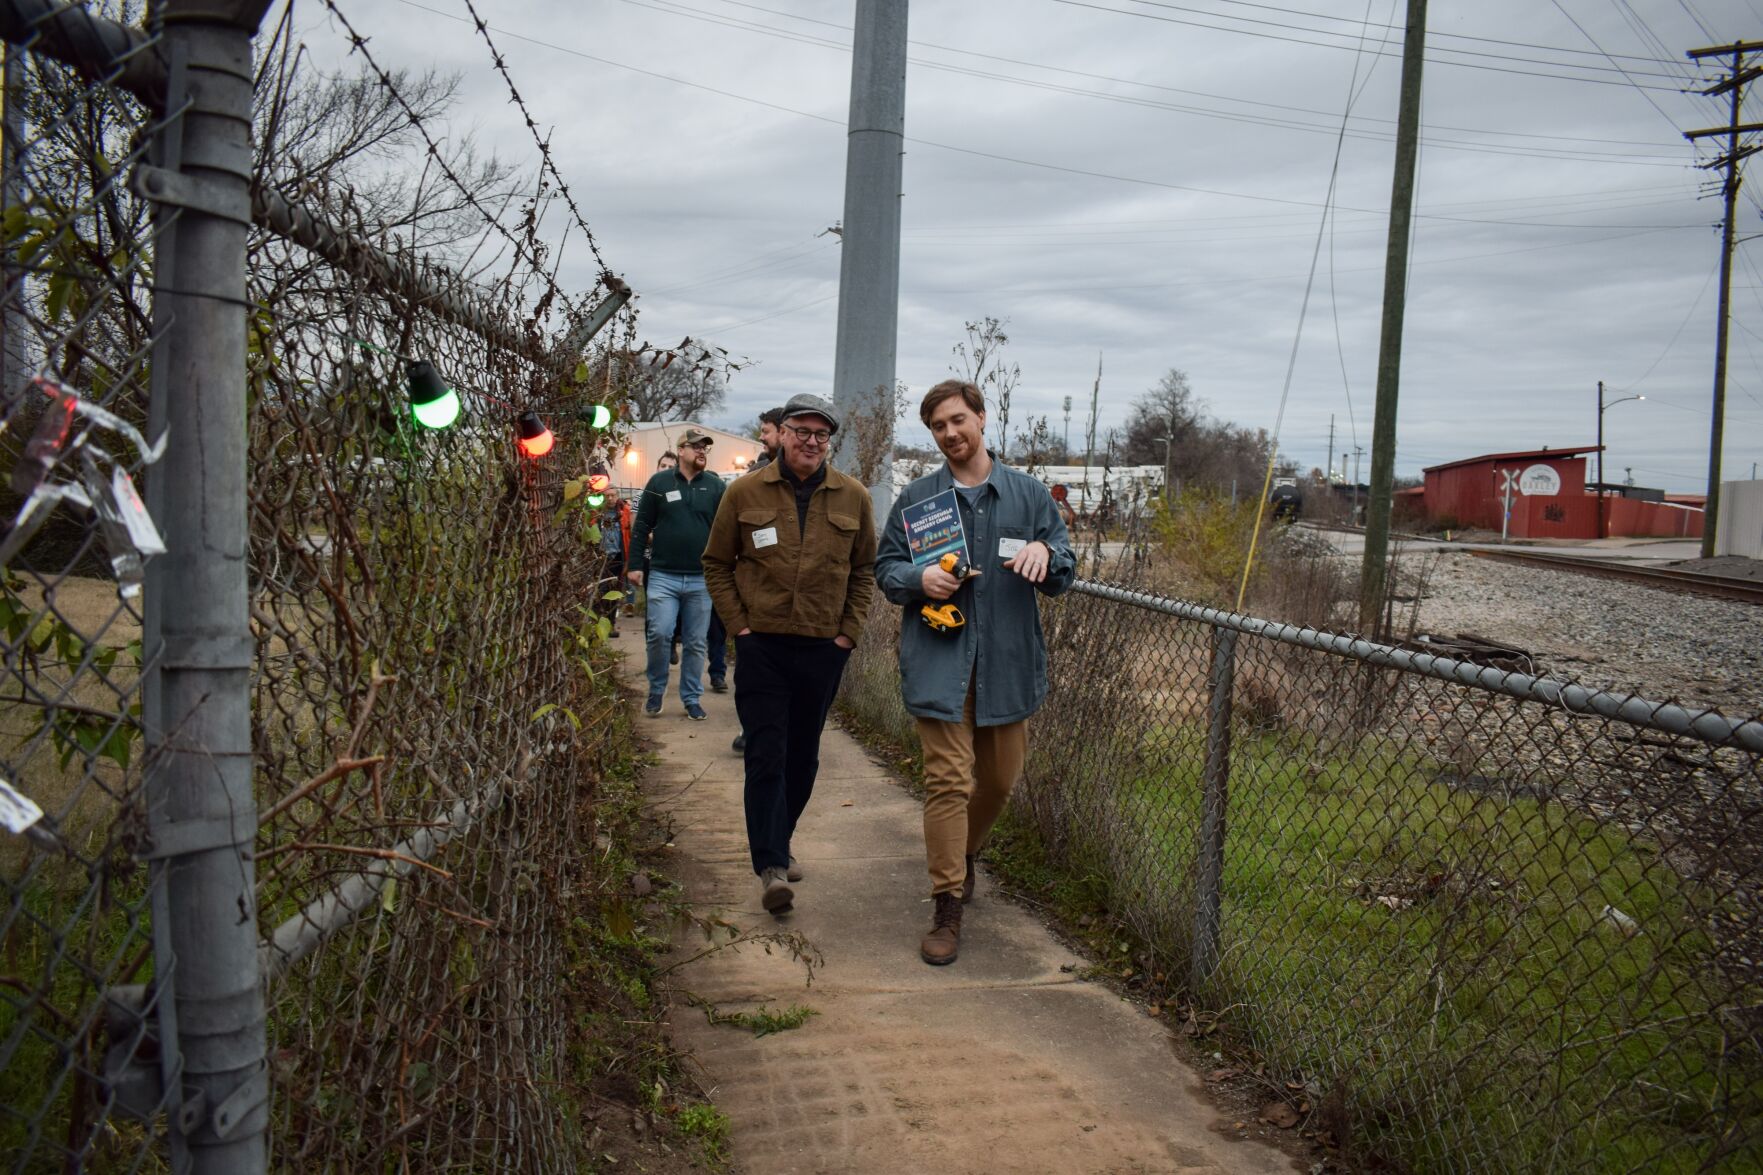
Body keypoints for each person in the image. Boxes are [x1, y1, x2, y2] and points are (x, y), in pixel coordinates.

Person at [875, 379, 1075, 965]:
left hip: (1007, 664)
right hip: (940, 663)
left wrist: (1048, 555)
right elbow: (886, 570)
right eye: (938, 427)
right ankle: (947, 904)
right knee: (947, 782)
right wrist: (919, 581)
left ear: (981, 419)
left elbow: (1064, 565)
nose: (950, 434)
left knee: (1001, 781)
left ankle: (961, 855)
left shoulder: (1028, 495)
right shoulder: (918, 500)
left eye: (958, 420)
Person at [702, 393, 875, 914]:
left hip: (824, 647)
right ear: (782, 433)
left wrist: (848, 634)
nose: (812, 442)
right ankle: (771, 867)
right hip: (764, 648)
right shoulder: (745, 492)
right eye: (802, 431)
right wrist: (742, 629)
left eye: (822, 435)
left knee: (804, 755)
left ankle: (782, 838)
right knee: (765, 753)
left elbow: (864, 570)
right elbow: (716, 563)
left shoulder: (854, 497)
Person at [629, 429, 725, 719]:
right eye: (695, 447)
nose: (701, 452)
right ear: (681, 450)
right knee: (660, 632)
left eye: (705, 448)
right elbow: (642, 525)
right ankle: (657, 689)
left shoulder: (715, 486)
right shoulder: (659, 482)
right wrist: (634, 565)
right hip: (664, 575)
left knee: (696, 641)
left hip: (701, 577)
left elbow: (725, 530)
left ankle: (691, 697)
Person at [730, 405, 787, 752]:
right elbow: (722, 552)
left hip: (801, 606)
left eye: (766, 431)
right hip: (758, 601)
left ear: (783, 432)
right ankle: (752, 731)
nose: (761, 437)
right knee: (754, 677)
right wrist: (738, 621)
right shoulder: (754, 478)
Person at [595, 483, 632, 637]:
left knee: (614, 593)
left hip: (618, 557)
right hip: (601, 558)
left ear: (617, 496)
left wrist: (628, 561)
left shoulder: (625, 512)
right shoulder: (597, 513)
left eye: (613, 495)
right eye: (607, 495)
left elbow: (630, 536)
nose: (610, 498)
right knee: (600, 592)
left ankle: (610, 625)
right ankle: (597, 625)